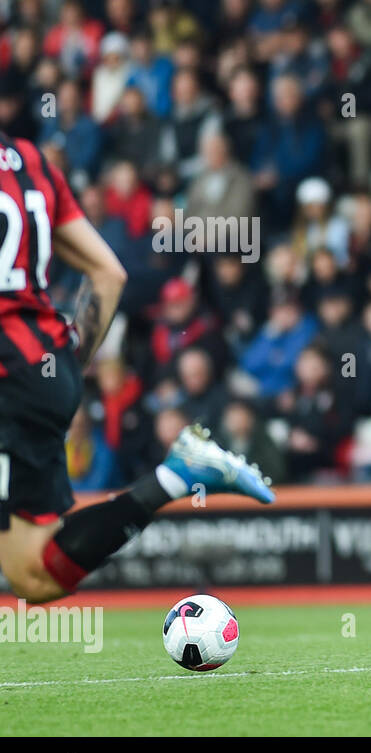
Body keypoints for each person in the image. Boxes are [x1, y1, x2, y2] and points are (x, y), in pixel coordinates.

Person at [0, 131, 274, 603]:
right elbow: (110, 273)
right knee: (33, 577)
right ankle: (175, 477)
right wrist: (64, 370)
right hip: (41, 373)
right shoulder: (29, 161)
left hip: (7, 376)